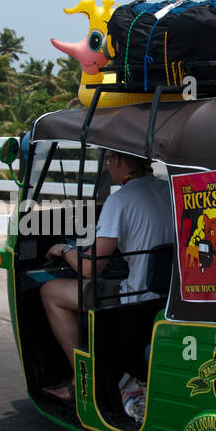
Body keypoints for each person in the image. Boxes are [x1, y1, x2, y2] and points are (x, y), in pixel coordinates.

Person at [40, 151, 174, 402]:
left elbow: (90, 269)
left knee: (50, 292)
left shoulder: (120, 201)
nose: (108, 164)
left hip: (135, 300)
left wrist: (64, 249)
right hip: (167, 298)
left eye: (109, 158)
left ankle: (81, 379)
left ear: (119, 160)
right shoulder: (170, 191)